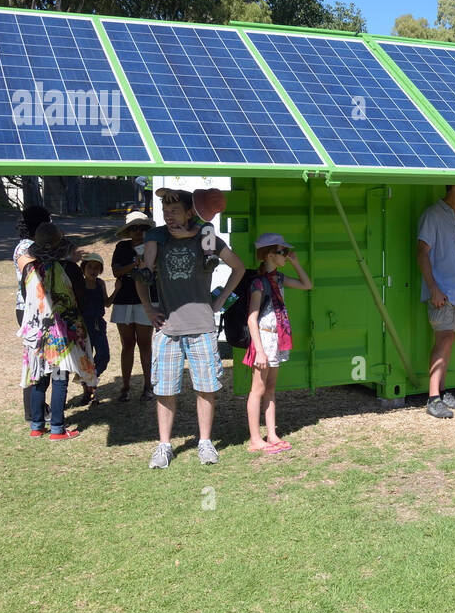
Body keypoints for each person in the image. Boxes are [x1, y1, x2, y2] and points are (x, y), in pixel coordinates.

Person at [136, 188, 245, 469]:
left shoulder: (207, 237)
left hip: (202, 327)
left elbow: (239, 267)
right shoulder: (156, 238)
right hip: (168, 328)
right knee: (164, 390)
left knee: (205, 388)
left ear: (189, 212)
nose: (167, 215)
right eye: (164, 210)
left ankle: (205, 443)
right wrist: (148, 308)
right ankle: (164, 446)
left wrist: (220, 299)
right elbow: (141, 277)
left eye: (174, 210)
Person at [16, 223, 96, 440]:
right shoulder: (69, 269)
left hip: (37, 332)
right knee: (60, 378)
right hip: (64, 331)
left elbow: (26, 297)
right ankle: (58, 428)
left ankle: (37, 425)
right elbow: (81, 298)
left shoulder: (28, 269)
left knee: (39, 378)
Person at [243, 233, 313, 454]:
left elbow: (307, 284)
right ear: (270, 254)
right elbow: (251, 318)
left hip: (276, 337)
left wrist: (295, 263)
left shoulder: (279, 278)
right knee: (258, 389)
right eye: (283, 252)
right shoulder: (258, 282)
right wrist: (260, 351)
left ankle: (271, 434)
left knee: (270, 388)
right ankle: (255, 439)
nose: (287, 255)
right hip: (263, 338)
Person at [417, 183, 455, 419]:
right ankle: (433, 398)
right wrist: (433, 288)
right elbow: (421, 251)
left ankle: (442, 391)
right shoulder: (432, 215)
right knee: (444, 337)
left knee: (450, 338)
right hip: (442, 291)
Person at [110, 211, 157, 402]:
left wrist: (145, 263)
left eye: (143, 228)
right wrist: (133, 265)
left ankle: (148, 386)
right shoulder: (121, 247)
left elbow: (158, 271)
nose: (139, 232)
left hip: (147, 299)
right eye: (134, 228)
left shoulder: (153, 247)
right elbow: (115, 271)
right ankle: (126, 387)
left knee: (145, 344)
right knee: (127, 345)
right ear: (128, 230)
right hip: (124, 300)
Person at [14, 204, 51, 422]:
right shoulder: (27, 248)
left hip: (36, 307)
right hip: (30, 309)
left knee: (39, 359)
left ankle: (38, 407)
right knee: (34, 360)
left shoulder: (30, 245)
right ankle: (33, 412)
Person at [74, 253, 112, 407]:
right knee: (85, 360)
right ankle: (88, 391)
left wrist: (117, 290)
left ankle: (91, 382)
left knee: (104, 355)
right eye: (90, 267)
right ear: (83, 268)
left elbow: (107, 303)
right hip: (84, 326)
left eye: (97, 268)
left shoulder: (100, 284)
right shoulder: (79, 285)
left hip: (98, 324)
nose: (93, 271)